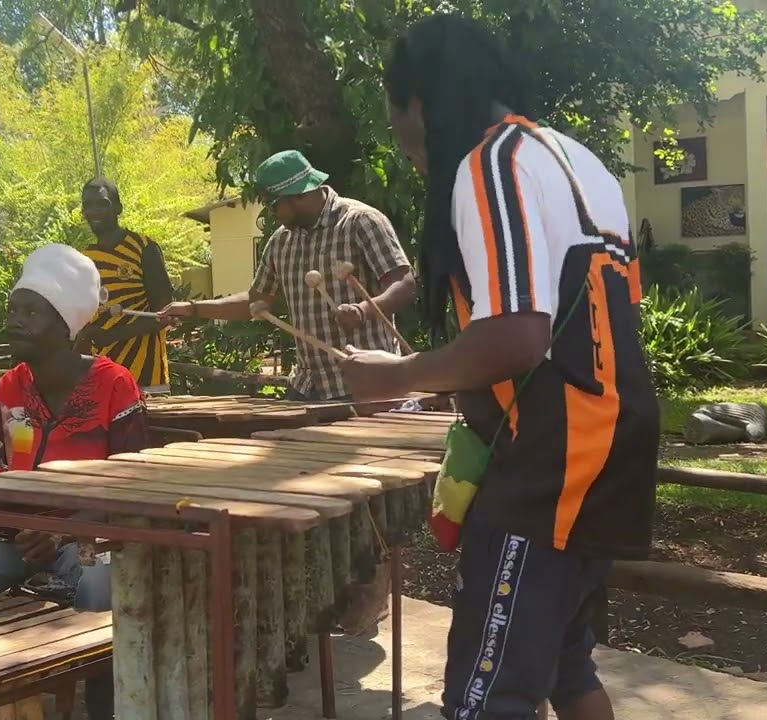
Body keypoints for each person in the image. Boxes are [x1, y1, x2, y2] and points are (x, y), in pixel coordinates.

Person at [339, 16, 659, 720]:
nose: (403, 144)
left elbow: (517, 336)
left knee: (485, 698)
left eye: (397, 121)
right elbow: (603, 323)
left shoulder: (492, 163)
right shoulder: (578, 159)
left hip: (554, 463)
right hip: (613, 445)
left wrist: (390, 376)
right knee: (564, 667)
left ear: (418, 103)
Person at [0, 243, 149, 718]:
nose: (14, 320)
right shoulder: (10, 387)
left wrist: (65, 532)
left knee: (98, 593)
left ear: (66, 325)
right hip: (18, 539)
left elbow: (129, 487)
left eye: (30, 311)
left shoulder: (116, 384)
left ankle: (106, 707)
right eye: (12, 308)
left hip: (94, 539)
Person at [160, 150, 416, 402]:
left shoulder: (361, 221)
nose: (272, 213)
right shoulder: (281, 242)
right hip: (309, 387)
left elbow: (404, 284)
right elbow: (255, 303)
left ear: (299, 195)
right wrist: (192, 309)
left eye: (273, 205)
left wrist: (362, 310)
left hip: (366, 384)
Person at [77, 178, 175, 395]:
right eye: (87, 205)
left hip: (146, 376)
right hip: (102, 378)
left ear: (118, 208)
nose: (94, 211)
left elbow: (166, 313)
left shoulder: (144, 248)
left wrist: (114, 334)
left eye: (102, 203)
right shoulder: (84, 258)